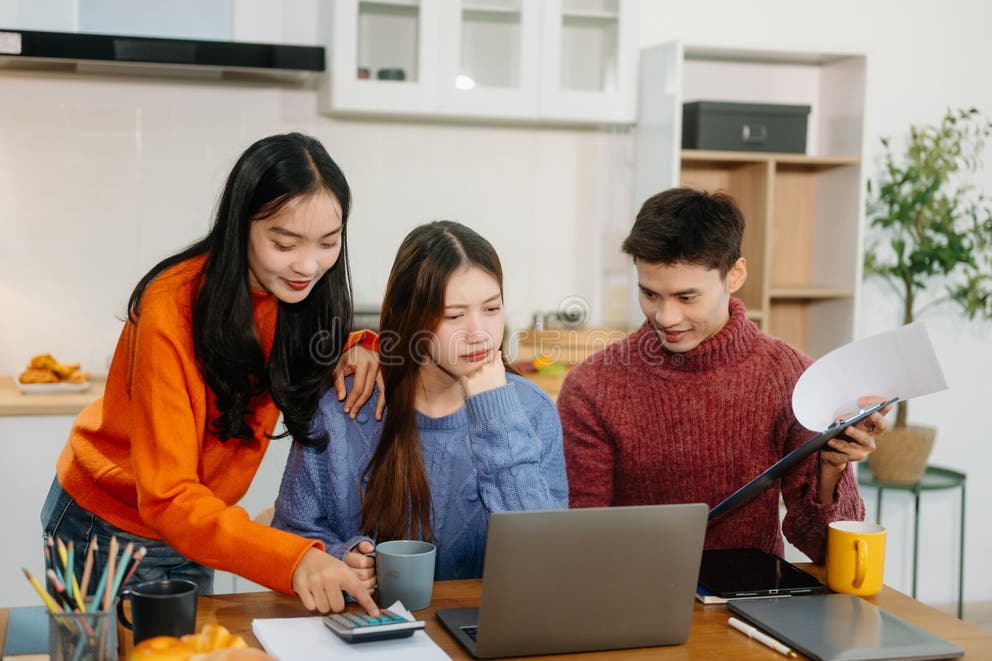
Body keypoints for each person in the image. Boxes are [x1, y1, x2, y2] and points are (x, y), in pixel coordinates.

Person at [42, 132, 383, 614]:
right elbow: (166, 498)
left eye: (329, 242)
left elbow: (308, 352)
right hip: (106, 526)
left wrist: (360, 346)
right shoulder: (171, 307)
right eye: (284, 243)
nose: (309, 265)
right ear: (239, 226)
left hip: (198, 529)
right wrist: (292, 559)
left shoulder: (297, 296)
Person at [557, 187, 891, 563]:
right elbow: (578, 546)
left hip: (750, 605)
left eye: (686, 298)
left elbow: (828, 552)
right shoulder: (592, 388)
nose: (665, 317)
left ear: (735, 275)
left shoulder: (793, 379)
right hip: (631, 602)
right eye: (650, 295)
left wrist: (832, 466)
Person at [272, 220, 568, 586]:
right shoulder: (345, 407)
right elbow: (289, 533)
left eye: (491, 309)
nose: (478, 333)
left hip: (483, 631)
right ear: (411, 319)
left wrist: (497, 414)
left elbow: (548, 561)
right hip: (370, 629)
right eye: (455, 315)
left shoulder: (532, 410)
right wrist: (337, 559)